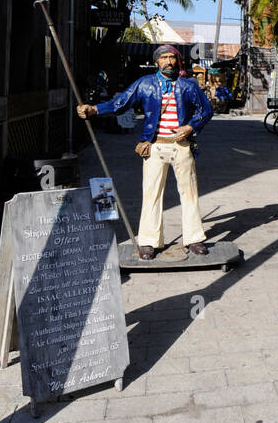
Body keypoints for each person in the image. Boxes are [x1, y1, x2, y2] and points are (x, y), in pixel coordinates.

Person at [77, 43, 213, 261]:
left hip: (182, 146)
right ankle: (149, 240)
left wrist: (190, 127)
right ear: (156, 62)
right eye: (164, 57)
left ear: (178, 60)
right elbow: (120, 103)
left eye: (172, 57)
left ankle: (194, 237)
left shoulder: (189, 85)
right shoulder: (145, 84)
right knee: (151, 194)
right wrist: (94, 109)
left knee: (189, 193)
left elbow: (205, 110)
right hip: (155, 146)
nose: (169, 61)